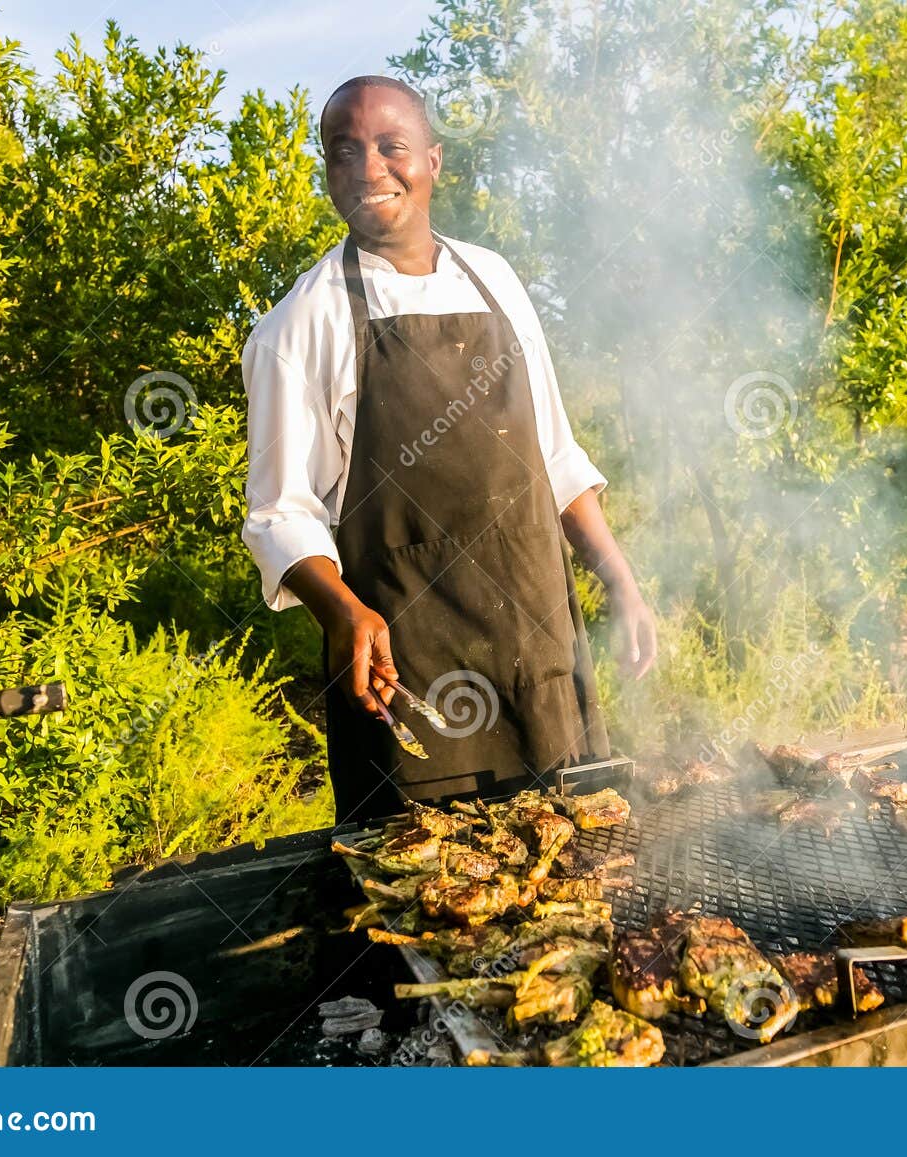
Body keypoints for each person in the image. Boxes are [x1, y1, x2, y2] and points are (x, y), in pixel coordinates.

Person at [241, 75, 656, 825]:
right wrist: (341, 612)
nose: (368, 168)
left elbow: (555, 455)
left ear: (433, 160)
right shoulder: (299, 325)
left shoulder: (493, 277)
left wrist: (620, 580)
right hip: (411, 676)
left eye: (390, 146)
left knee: (577, 860)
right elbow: (280, 515)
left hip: (539, 646)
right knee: (431, 883)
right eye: (343, 151)